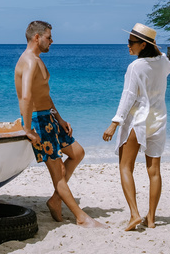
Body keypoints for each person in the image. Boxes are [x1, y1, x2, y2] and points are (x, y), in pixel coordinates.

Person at [15, 20, 104, 228]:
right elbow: (26, 97)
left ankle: (56, 199)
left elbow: (44, 94)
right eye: (48, 37)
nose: (51, 41)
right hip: (38, 121)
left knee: (77, 153)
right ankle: (81, 217)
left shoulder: (36, 59)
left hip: (49, 118)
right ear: (37, 37)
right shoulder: (29, 61)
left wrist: (59, 118)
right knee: (59, 173)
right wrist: (27, 128)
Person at [103, 23, 170, 230]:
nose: (128, 46)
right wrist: (154, 45)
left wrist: (114, 123)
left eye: (131, 42)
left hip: (139, 120)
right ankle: (151, 219)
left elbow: (128, 96)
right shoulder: (162, 63)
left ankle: (134, 214)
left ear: (143, 45)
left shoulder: (135, 67)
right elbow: (169, 63)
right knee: (154, 171)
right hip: (158, 119)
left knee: (125, 167)